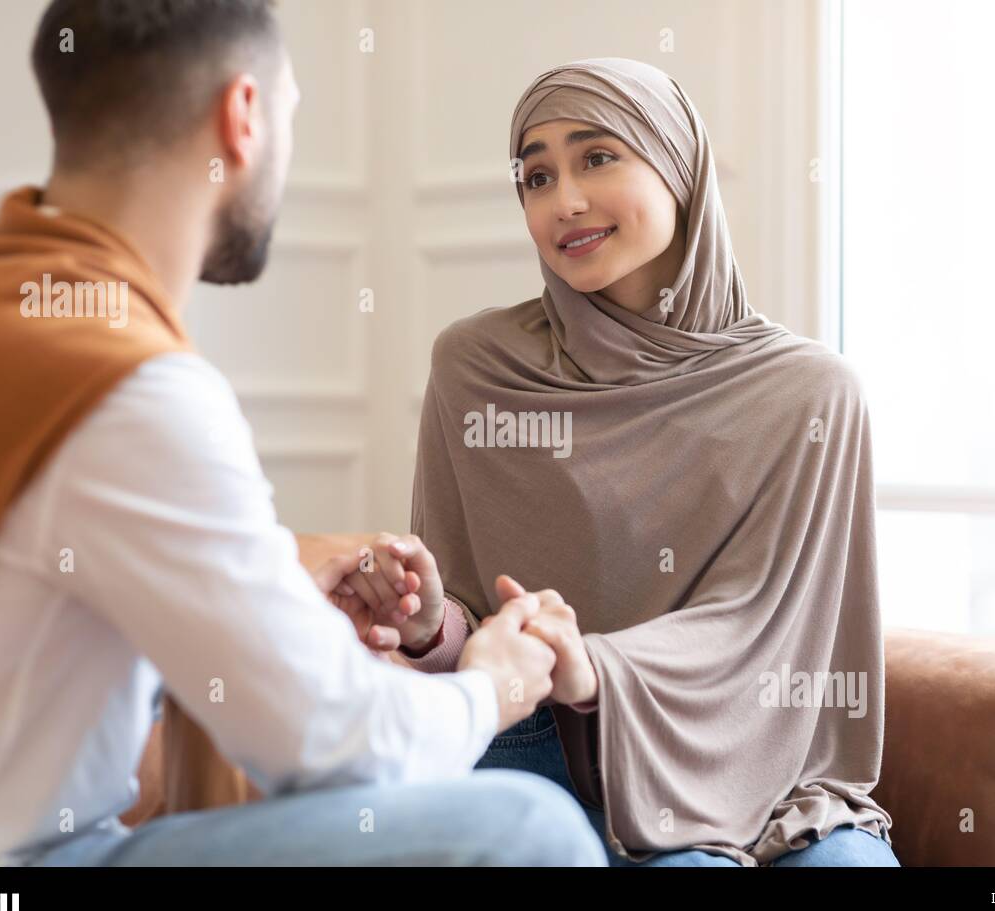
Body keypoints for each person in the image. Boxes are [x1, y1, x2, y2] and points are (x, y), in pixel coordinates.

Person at [0, 0, 606, 868]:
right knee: (533, 829)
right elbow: (333, 742)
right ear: (243, 114)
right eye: (292, 111)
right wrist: (493, 685)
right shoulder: (133, 386)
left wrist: (269, 587)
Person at [350, 58, 901, 867]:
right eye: (536, 175)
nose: (563, 200)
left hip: (766, 773)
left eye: (597, 157)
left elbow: (768, 627)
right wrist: (429, 623)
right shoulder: (478, 368)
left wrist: (599, 667)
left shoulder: (810, 394)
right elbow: (468, 619)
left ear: (678, 166)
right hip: (548, 768)